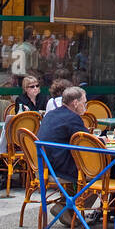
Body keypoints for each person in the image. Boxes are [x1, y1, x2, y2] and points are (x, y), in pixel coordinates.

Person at [35, 85, 89, 217]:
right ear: (75, 103)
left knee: (82, 165)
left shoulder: (51, 114)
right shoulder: (72, 118)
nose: (86, 106)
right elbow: (89, 142)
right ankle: (68, 209)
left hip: (44, 164)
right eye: (84, 103)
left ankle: (66, 204)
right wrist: (103, 140)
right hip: (59, 167)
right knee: (101, 172)